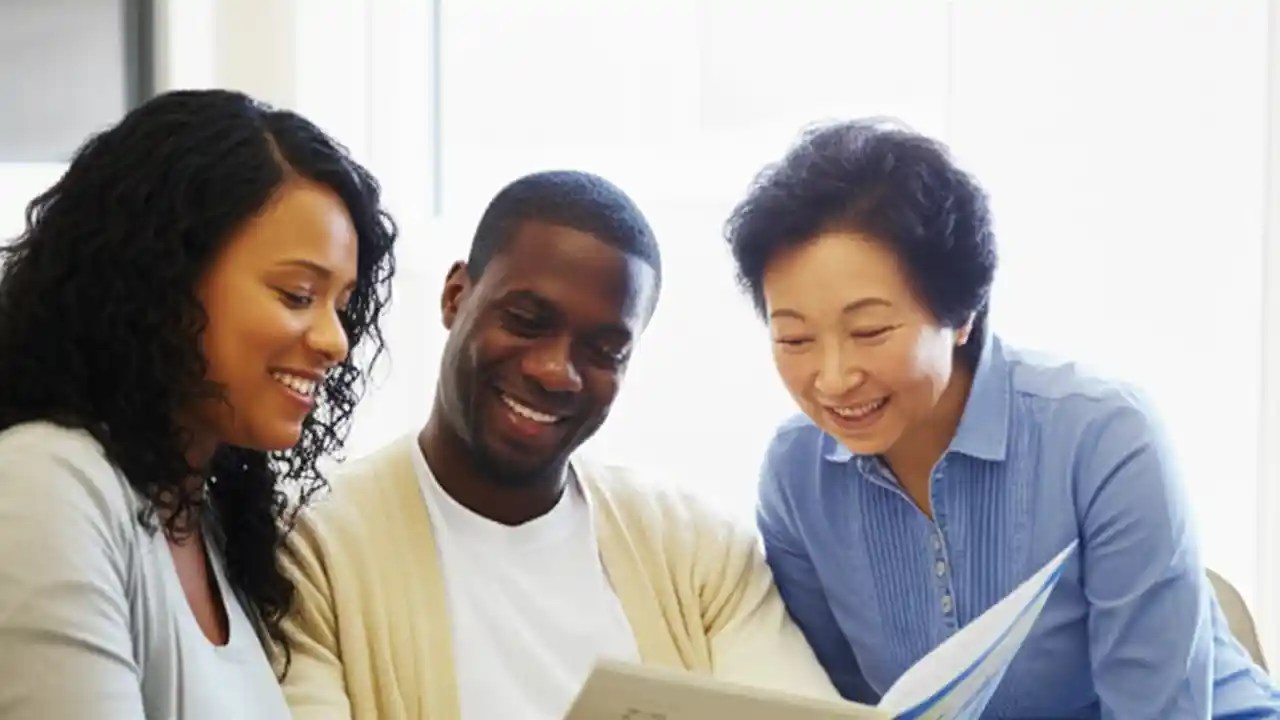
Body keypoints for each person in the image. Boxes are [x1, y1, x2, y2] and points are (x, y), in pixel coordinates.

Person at [723, 119, 1280, 718]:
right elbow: (829, 703)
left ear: (960, 314)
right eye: (795, 339)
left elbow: (1157, 710)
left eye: (870, 331)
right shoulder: (796, 474)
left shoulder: (1102, 437)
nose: (832, 379)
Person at [278, 170, 839, 719]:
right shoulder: (314, 550)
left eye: (603, 351)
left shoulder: (696, 553)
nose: (556, 372)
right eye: (525, 321)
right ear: (455, 298)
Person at [0, 89, 397, 719]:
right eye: (298, 295)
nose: (335, 341)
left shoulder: (211, 521)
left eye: (342, 307)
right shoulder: (48, 483)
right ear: (161, 278)